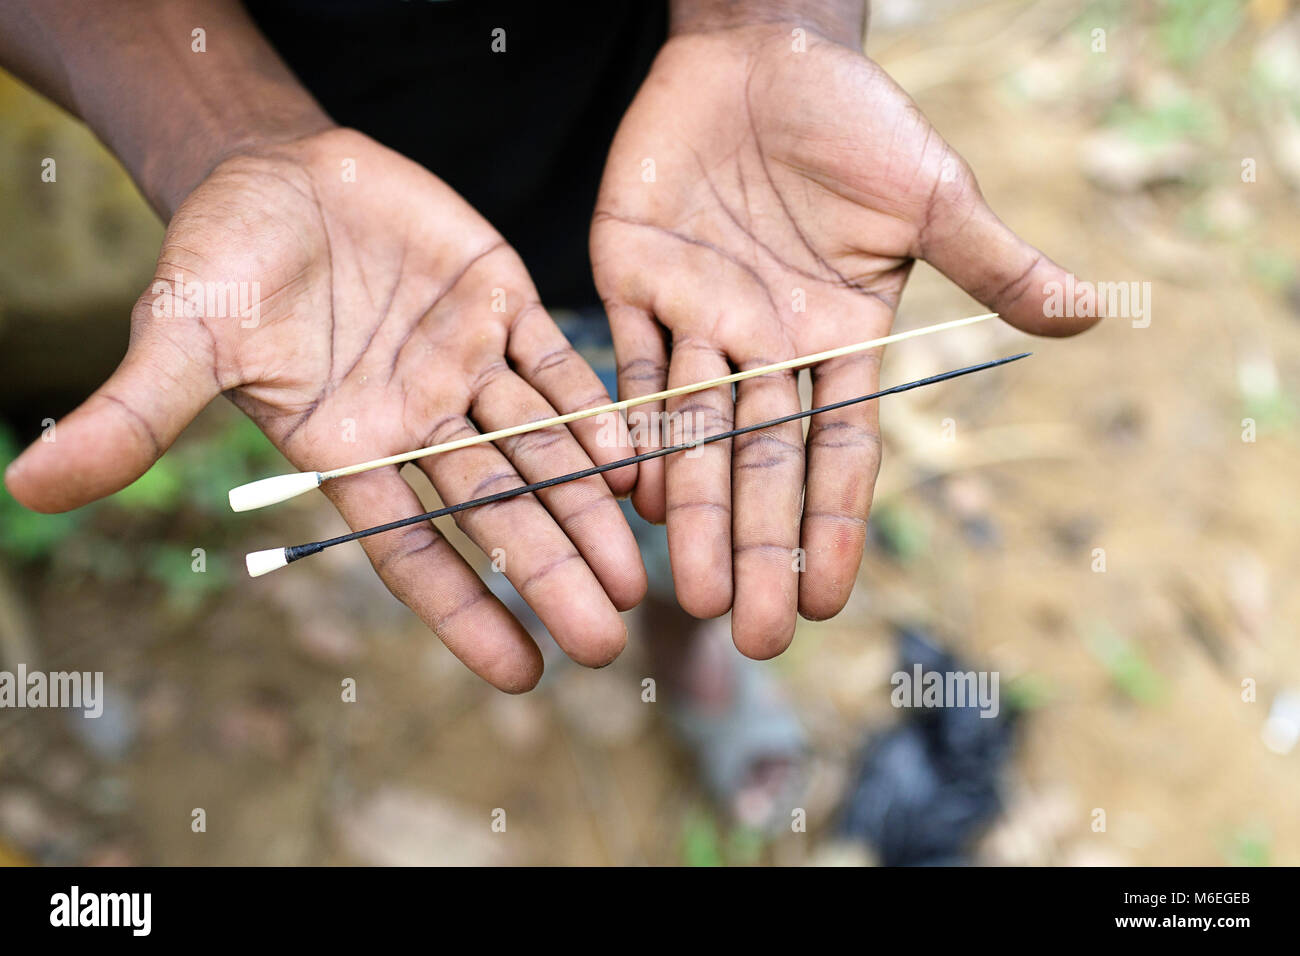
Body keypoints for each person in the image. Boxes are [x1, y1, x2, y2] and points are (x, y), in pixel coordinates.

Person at [0, 0, 1094, 825]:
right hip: (348, 238)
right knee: (490, 476)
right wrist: (226, 137)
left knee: (684, 470)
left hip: (688, 172)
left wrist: (766, 25)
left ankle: (681, 635)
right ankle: (570, 590)